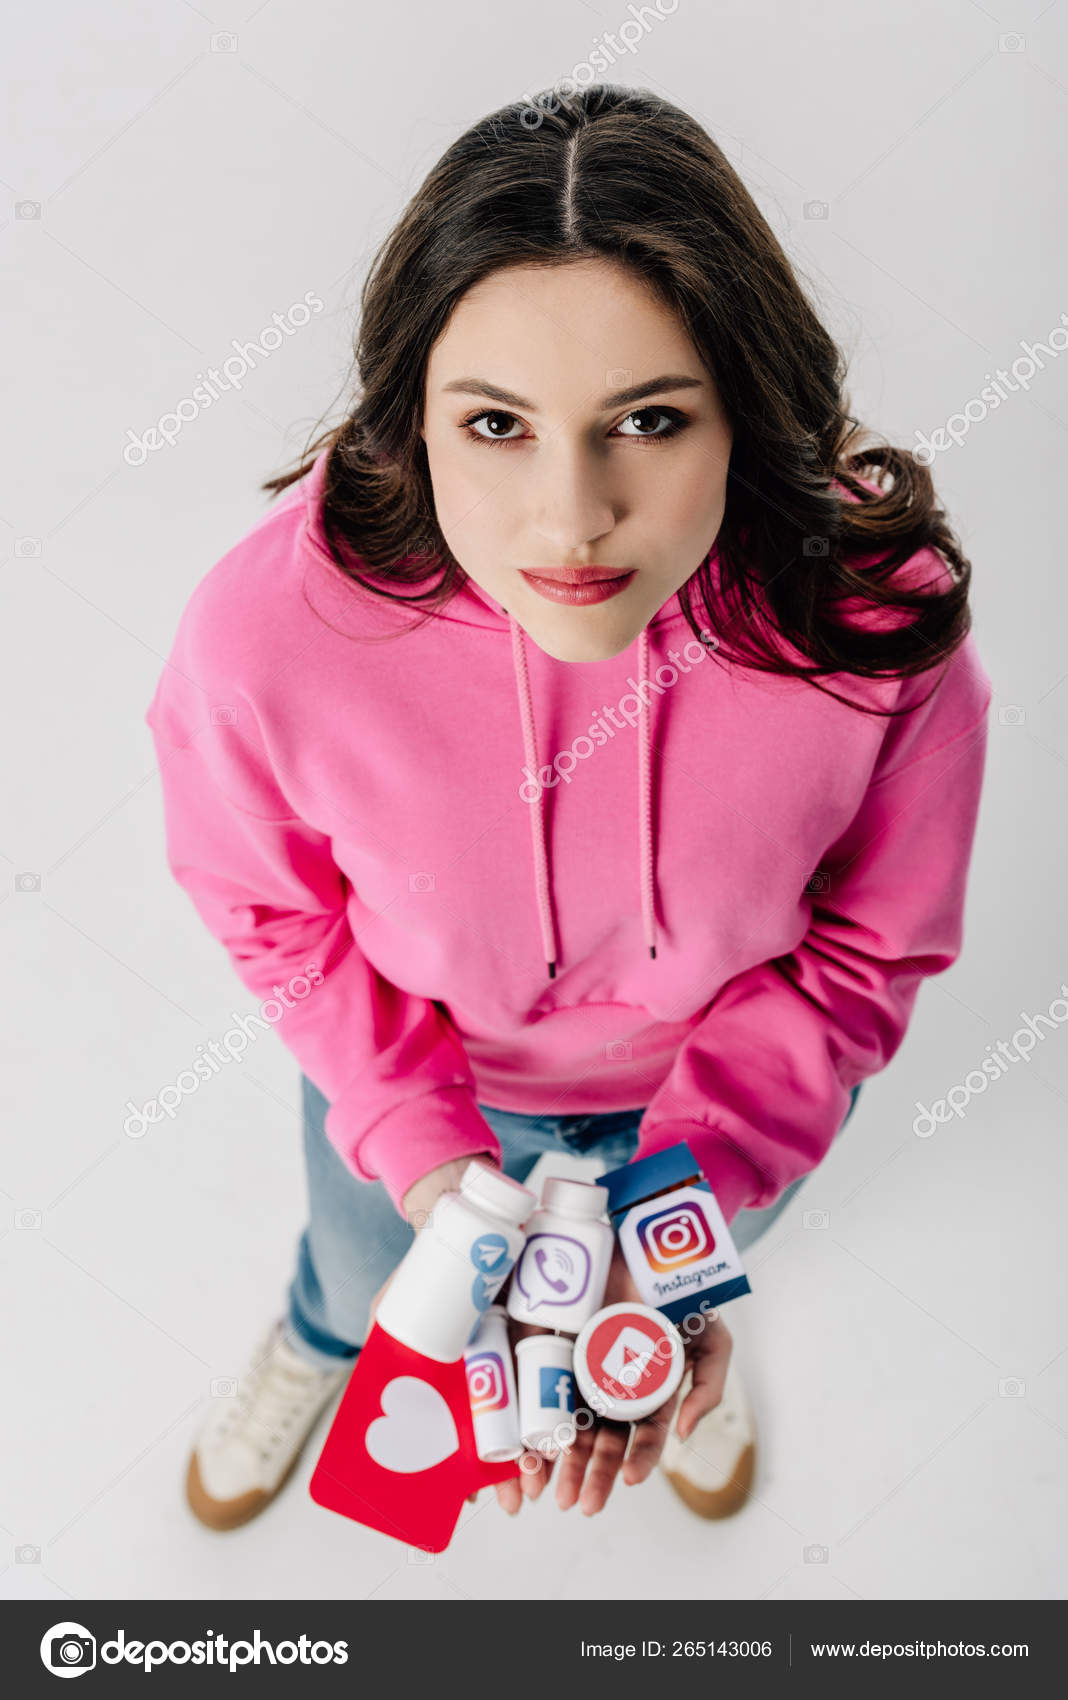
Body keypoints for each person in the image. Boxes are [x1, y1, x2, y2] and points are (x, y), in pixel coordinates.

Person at [145, 85, 992, 1536]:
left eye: (649, 422)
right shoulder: (265, 634)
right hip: (421, 1099)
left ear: (747, 403)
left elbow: (873, 950)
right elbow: (273, 915)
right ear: (409, 416)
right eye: (495, 426)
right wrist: (423, 1151)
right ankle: (319, 1341)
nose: (569, 517)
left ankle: (689, 1368)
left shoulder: (874, 622)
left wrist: (679, 1210)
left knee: (668, 1313)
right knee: (358, 1284)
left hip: (736, 1115)